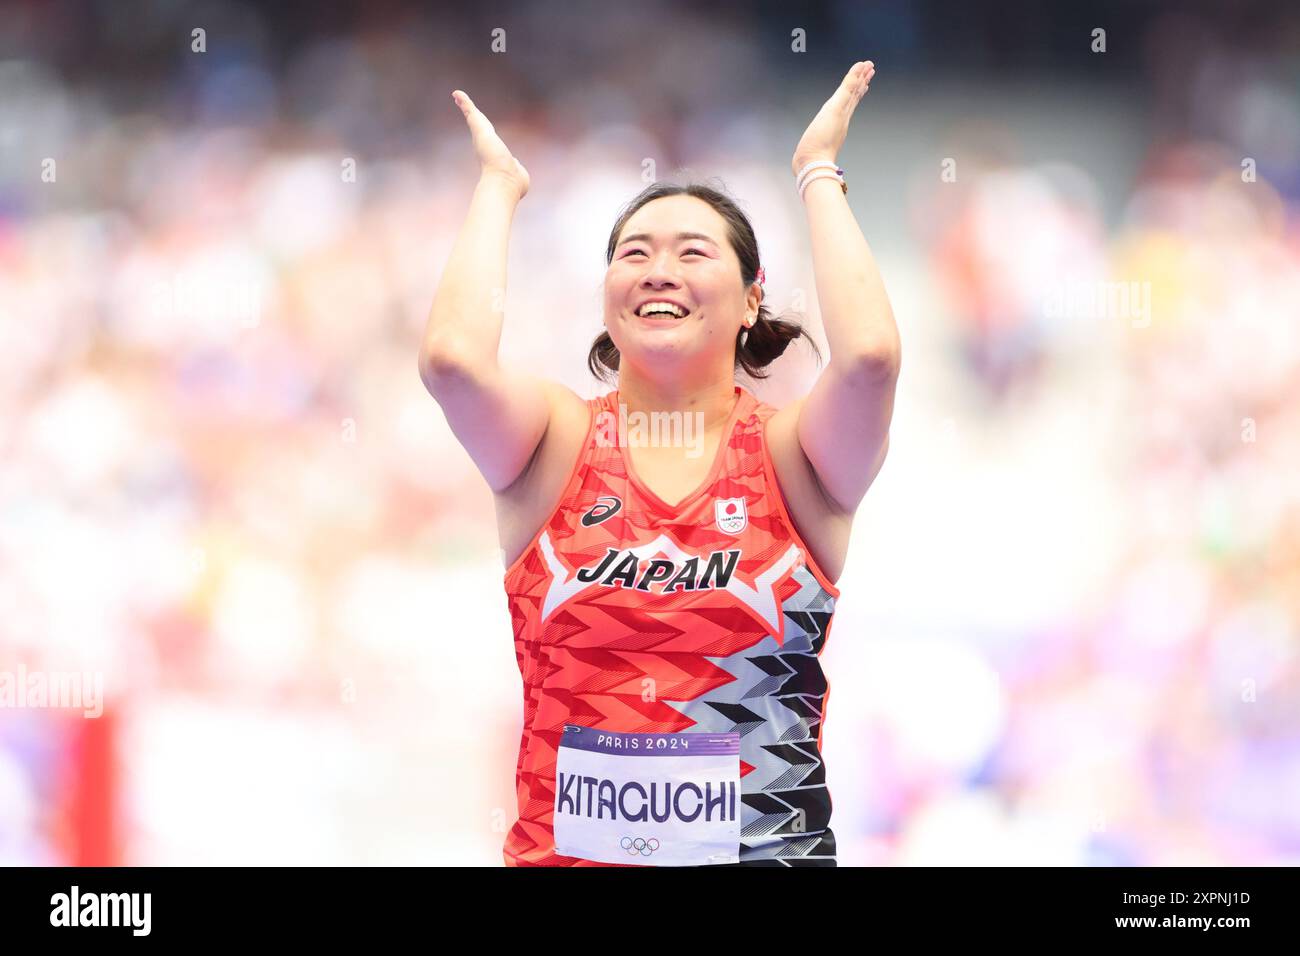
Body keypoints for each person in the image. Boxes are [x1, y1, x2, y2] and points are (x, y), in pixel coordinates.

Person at [421, 61, 899, 866]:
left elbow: (872, 360)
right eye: (634, 252)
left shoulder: (792, 458)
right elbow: (452, 362)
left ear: (753, 299)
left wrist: (817, 169)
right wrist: (500, 188)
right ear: (610, 294)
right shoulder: (558, 441)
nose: (657, 268)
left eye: (692, 251)